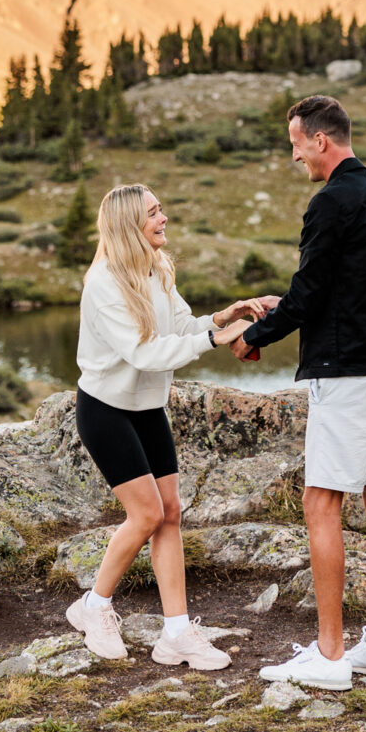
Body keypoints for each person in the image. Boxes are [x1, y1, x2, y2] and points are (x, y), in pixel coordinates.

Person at [232, 95, 366, 691]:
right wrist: (281, 307)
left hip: (348, 374)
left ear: (320, 140)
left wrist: (254, 336)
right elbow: (344, 290)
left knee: (321, 503)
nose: (294, 156)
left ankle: (332, 654)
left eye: (296, 144)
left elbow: (310, 294)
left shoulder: (331, 201)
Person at [64, 182, 263, 670]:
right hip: (106, 409)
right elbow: (143, 352)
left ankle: (176, 633)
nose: (163, 218)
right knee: (147, 515)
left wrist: (224, 315)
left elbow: (178, 329)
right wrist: (218, 339)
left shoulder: (156, 268)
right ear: (130, 223)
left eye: (161, 209)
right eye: (153, 213)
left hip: (147, 406)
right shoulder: (105, 282)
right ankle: (94, 606)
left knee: (170, 511)